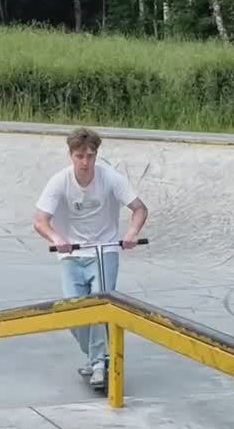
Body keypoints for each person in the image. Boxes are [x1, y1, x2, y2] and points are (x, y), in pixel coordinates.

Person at [33, 127, 148, 387]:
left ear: (96, 155)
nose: (85, 162)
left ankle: (98, 364)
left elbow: (139, 209)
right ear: (70, 155)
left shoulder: (111, 178)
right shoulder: (60, 181)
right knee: (73, 313)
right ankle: (100, 357)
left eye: (90, 156)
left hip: (104, 250)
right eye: (79, 156)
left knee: (98, 305)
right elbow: (40, 220)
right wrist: (57, 239)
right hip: (71, 254)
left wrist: (131, 232)